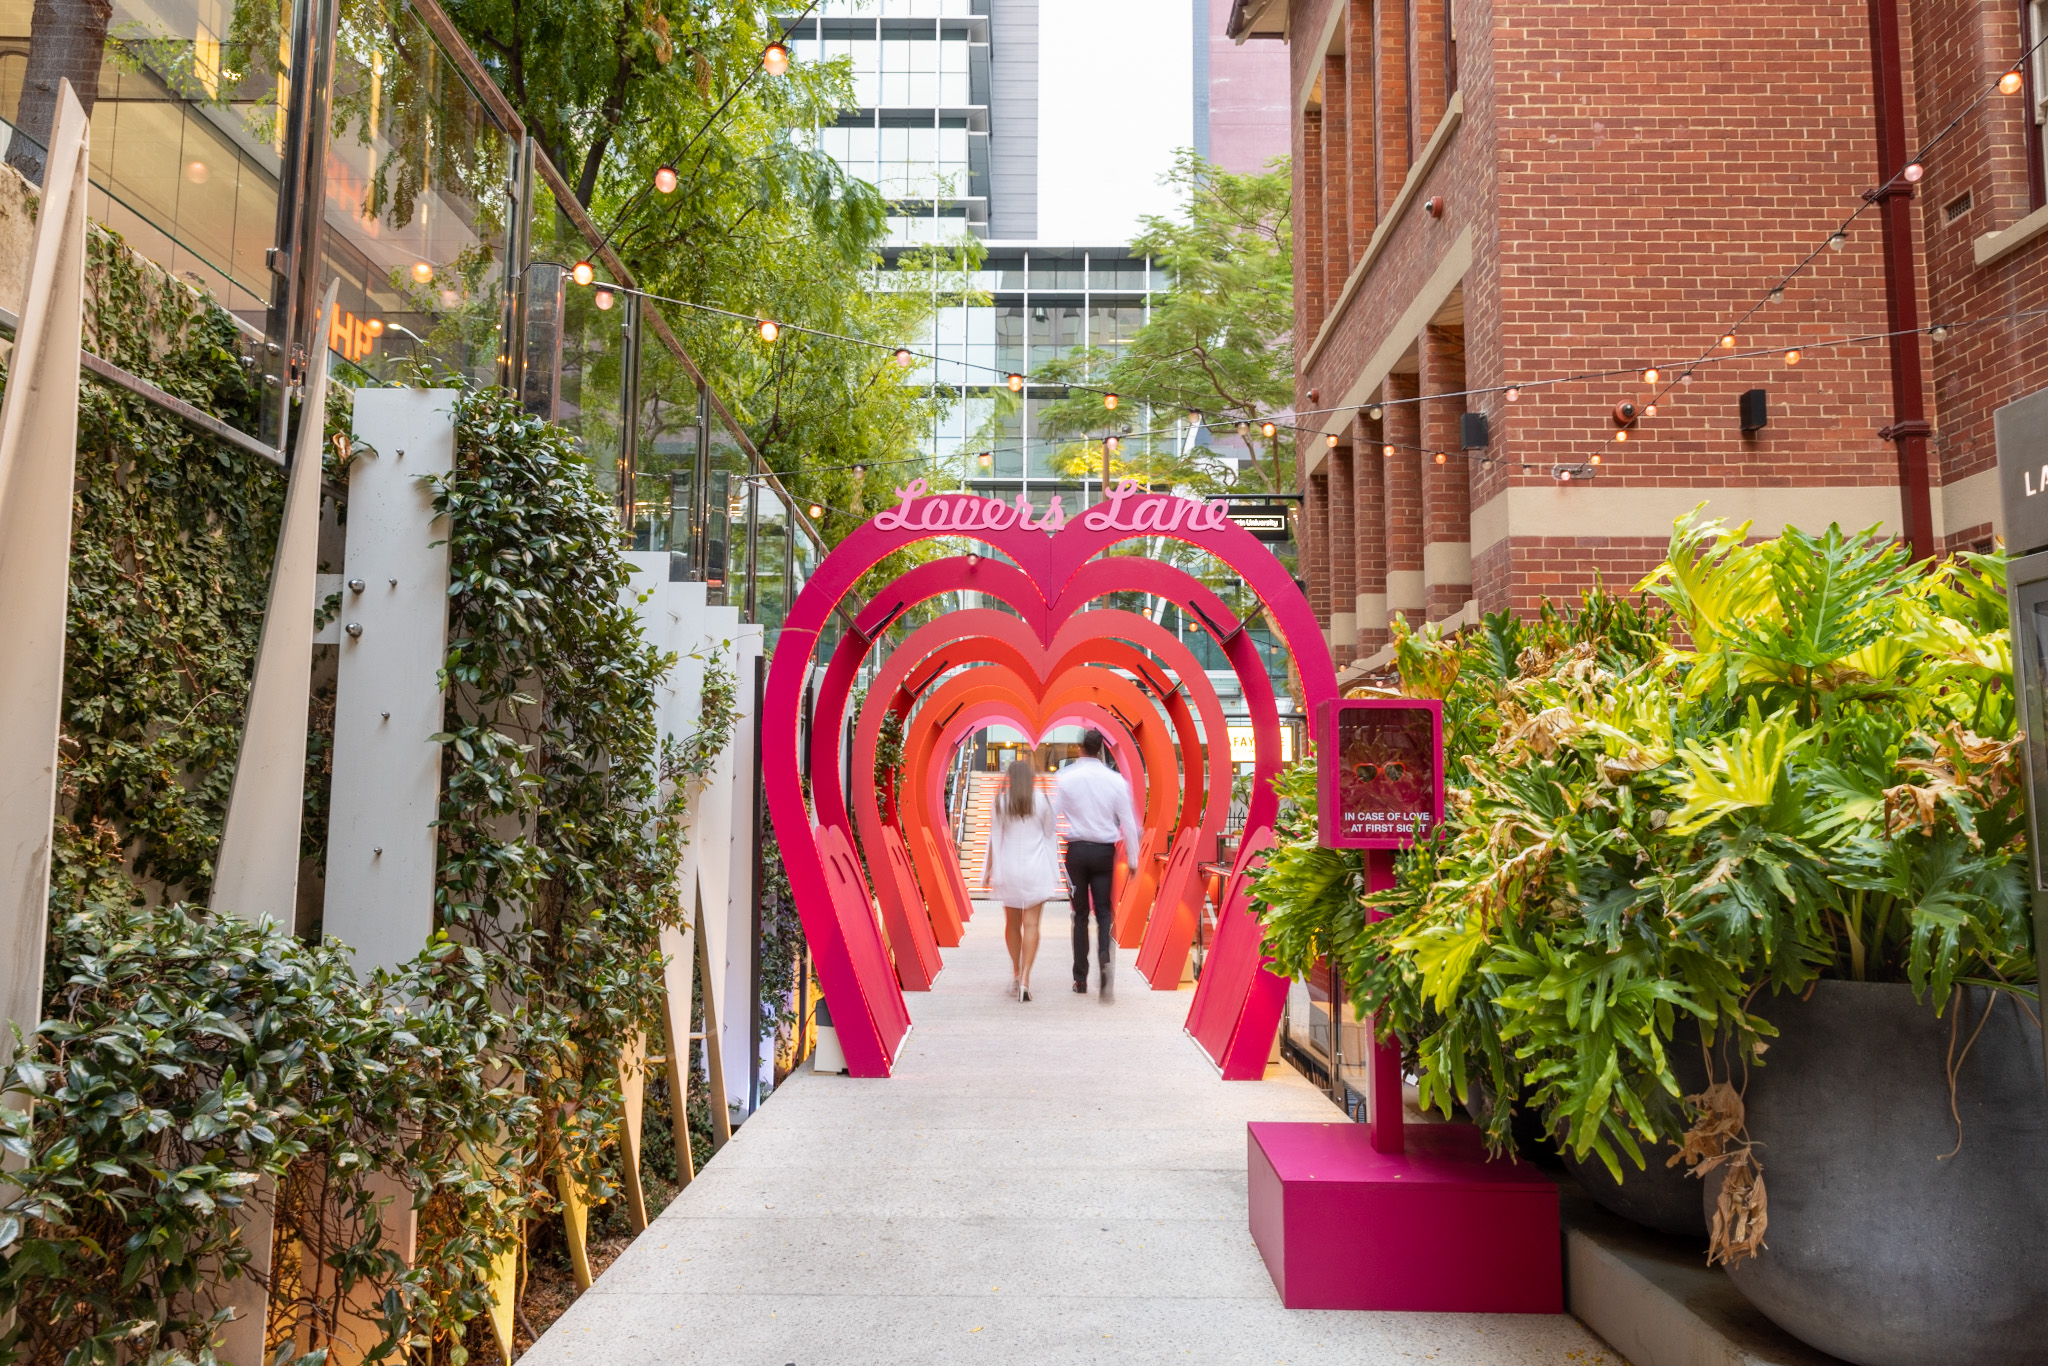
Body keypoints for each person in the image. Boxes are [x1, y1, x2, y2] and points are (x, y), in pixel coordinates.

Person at [1053, 731, 1140, 997]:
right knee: (1103, 911)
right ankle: (1104, 953)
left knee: (1079, 915)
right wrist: (1133, 859)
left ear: (1081, 748)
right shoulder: (1116, 781)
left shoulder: (1066, 777)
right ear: (1101, 750)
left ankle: (1080, 978)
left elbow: (1051, 817)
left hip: (1077, 852)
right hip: (1104, 852)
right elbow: (1128, 822)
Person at [982, 758, 1061, 1002]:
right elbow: (1049, 834)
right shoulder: (1043, 800)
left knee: (1012, 924)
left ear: (1010, 778)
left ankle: (1016, 973)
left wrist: (988, 871)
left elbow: (994, 838)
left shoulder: (1001, 801)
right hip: (1036, 867)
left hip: (1009, 869)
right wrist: (1055, 870)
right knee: (1032, 924)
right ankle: (1026, 978)